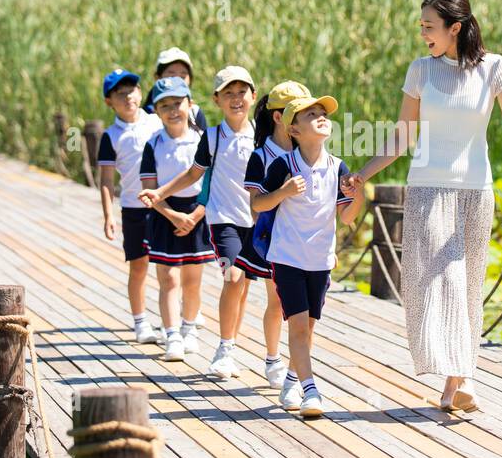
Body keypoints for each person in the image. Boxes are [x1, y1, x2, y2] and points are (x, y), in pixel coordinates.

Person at [346, 0, 502, 411]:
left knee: (469, 285)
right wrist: (362, 174)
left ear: (455, 28)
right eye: (421, 26)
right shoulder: (421, 70)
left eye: (429, 27)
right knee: (443, 278)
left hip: (476, 191)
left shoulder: (496, 68)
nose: (423, 34)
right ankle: (465, 374)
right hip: (428, 190)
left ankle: (457, 383)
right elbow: (403, 135)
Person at [138, 65, 269, 380]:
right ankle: (223, 349)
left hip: (257, 221)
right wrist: (160, 192)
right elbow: (194, 175)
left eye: (242, 92)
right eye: (228, 93)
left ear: (253, 96)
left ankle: (232, 347)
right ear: (216, 99)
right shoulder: (210, 137)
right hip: (223, 219)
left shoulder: (262, 136)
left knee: (244, 286)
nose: (236, 99)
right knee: (233, 278)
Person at [251, 95, 362, 418]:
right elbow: (257, 205)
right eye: (310, 114)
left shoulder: (338, 167)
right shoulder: (283, 165)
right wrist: (283, 192)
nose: (320, 117)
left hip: (320, 261)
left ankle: (291, 380)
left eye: (323, 113)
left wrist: (358, 194)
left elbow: (347, 217)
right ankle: (311, 388)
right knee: (298, 327)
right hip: (287, 258)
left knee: (308, 329)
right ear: (294, 130)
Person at [244, 79, 314, 389]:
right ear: (278, 117)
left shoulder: (310, 153)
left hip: (306, 239)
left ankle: (294, 369)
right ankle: (273, 357)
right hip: (272, 239)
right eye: (299, 113)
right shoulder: (260, 156)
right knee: (278, 303)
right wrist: (283, 193)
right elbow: (255, 207)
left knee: (305, 310)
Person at [140, 76, 216, 361]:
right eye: (165, 105)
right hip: (164, 213)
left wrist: (195, 215)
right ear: (156, 111)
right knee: (168, 279)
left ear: (190, 104)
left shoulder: (203, 140)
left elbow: (211, 183)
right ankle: (171, 334)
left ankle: (189, 328)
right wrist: (172, 215)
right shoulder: (153, 144)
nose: (173, 110)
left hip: (198, 211)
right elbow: (149, 189)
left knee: (193, 281)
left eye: (178, 103)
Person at [96, 68, 163, 343]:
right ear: (109, 101)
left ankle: (172, 322)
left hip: (162, 205)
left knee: (169, 267)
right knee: (139, 266)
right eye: (120, 94)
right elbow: (106, 178)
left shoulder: (157, 123)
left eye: (132, 91)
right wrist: (108, 215)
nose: (128, 98)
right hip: (134, 209)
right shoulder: (110, 136)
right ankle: (140, 321)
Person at [142, 46, 209, 132]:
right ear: (157, 78)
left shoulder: (194, 112)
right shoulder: (146, 115)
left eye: (183, 76)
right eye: (171, 75)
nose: (177, 81)